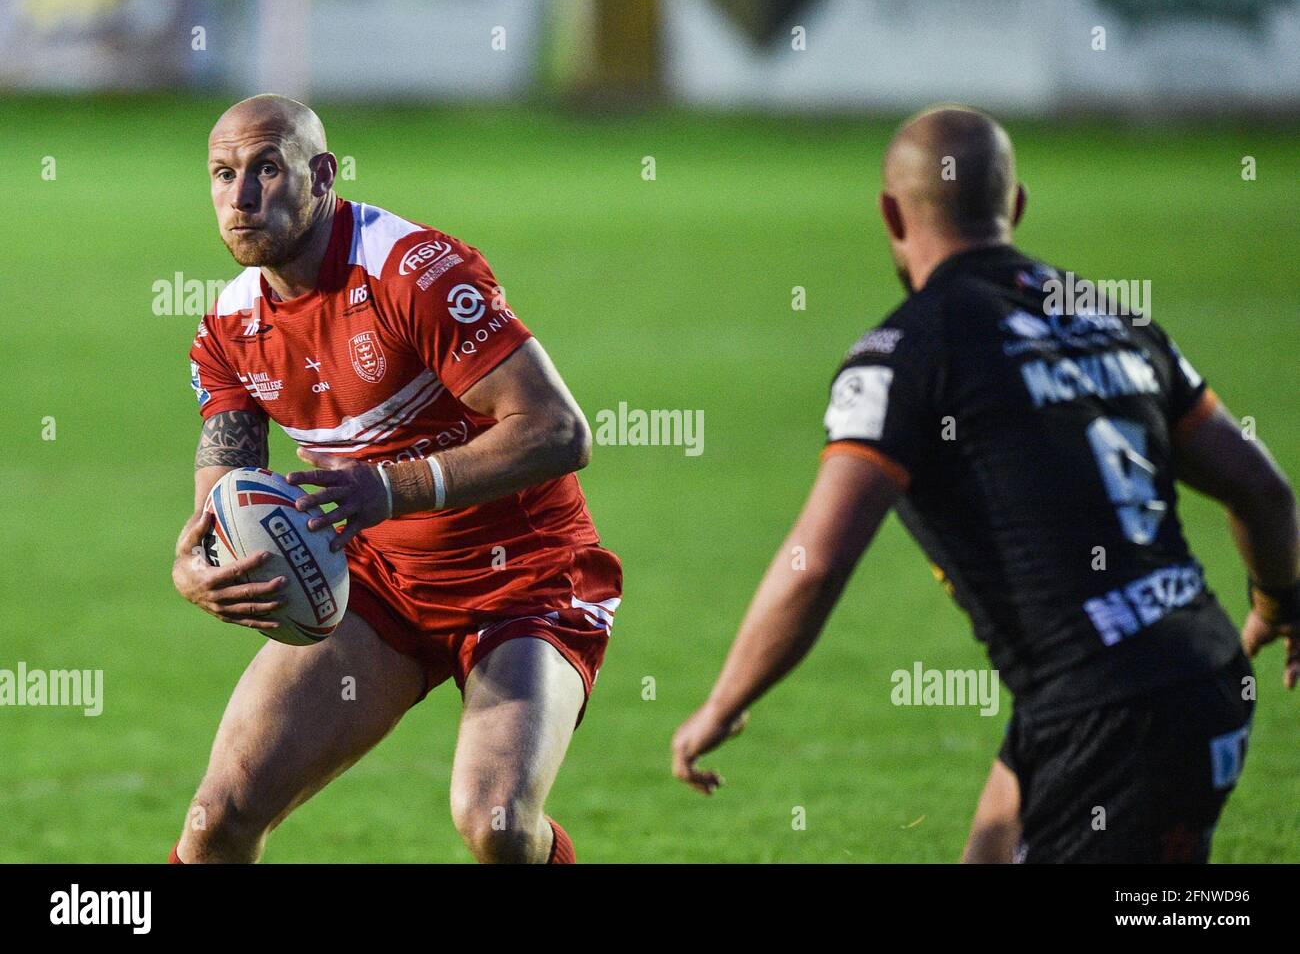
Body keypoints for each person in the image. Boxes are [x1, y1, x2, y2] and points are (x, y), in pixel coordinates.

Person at [671, 105, 1297, 863]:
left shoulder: (905, 352)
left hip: (1107, 709)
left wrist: (724, 703)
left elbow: (817, 563)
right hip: (1195, 669)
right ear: (1017, 204)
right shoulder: (1110, 317)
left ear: (890, 213)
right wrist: (1277, 603)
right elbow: (1263, 489)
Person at [170, 94, 621, 863]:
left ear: (322, 175)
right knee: (219, 819)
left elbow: (559, 430)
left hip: (526, 579)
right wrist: (196, 568)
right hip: (376, 588)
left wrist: (388, 488)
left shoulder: (414, 272)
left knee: (499, 823)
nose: (241, 196)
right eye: (222, 174)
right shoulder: (228, 328)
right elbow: (223, 503)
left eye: (266, 169)